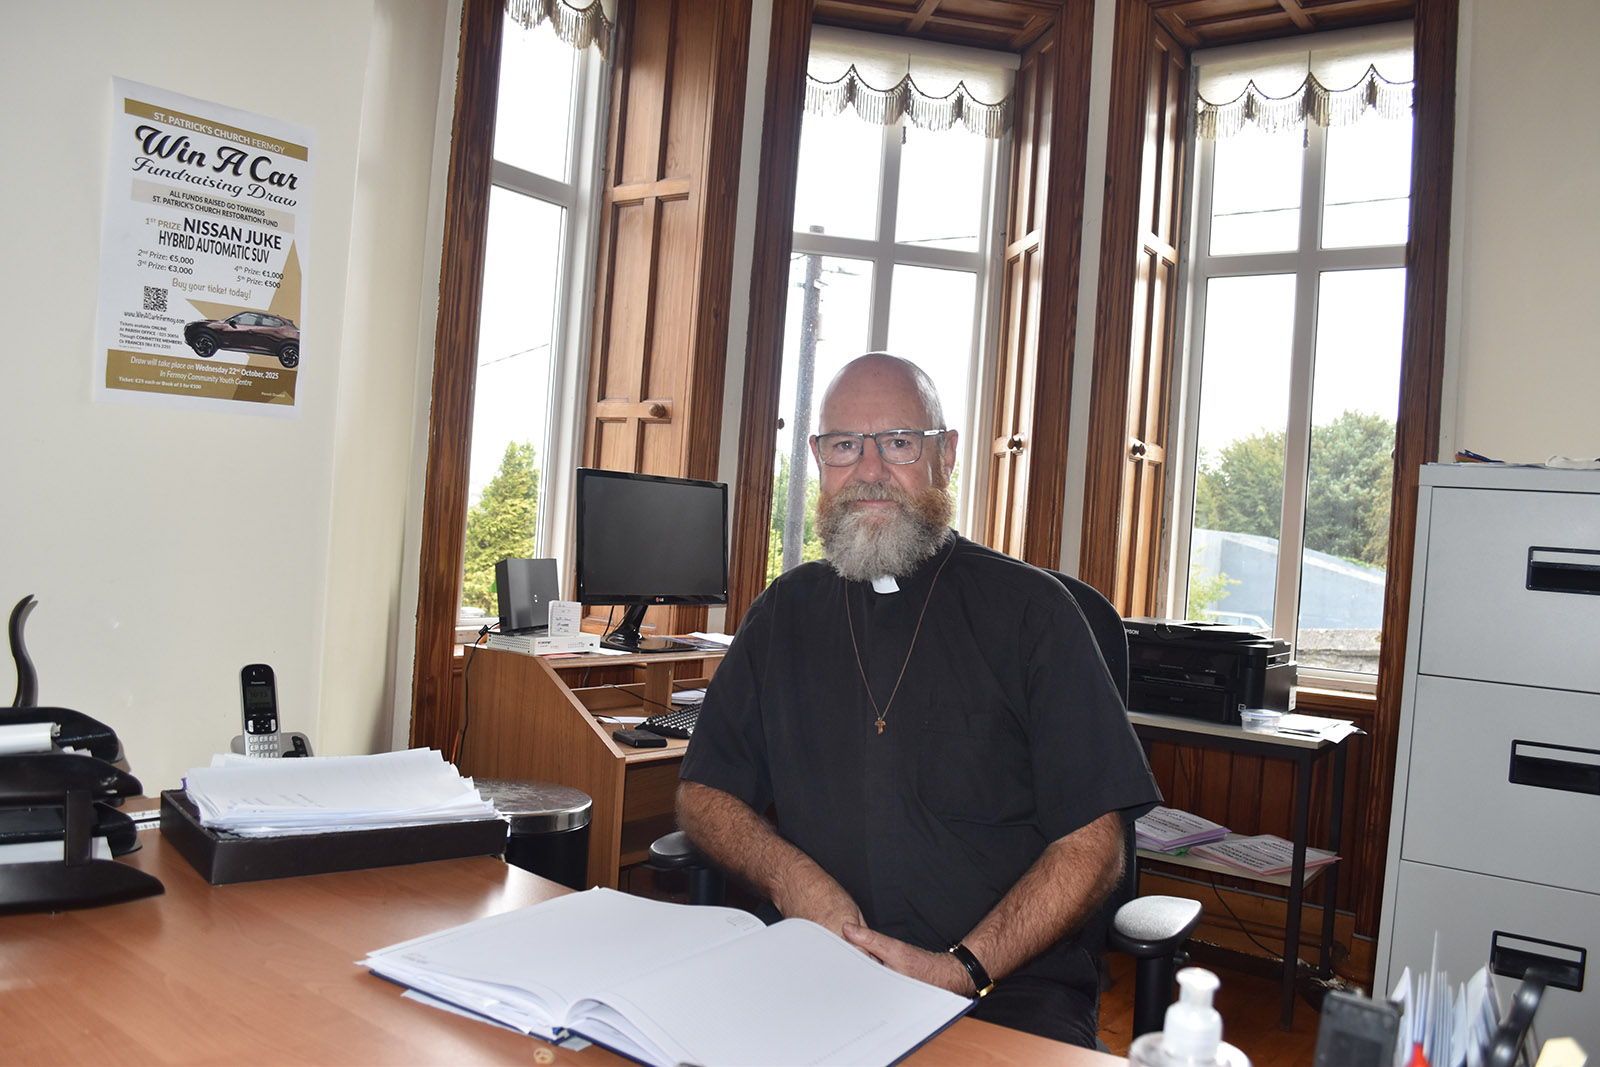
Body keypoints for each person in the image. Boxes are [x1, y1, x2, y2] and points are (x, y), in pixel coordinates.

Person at [675, 352, 1160, 1047]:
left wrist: (962, 967)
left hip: (1003, 989)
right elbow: (704, 792)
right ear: (818, 458)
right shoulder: (782, 613)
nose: (869, 470)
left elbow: (1095, 843)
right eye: (844, 444)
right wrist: (793, 880)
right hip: (813, 973)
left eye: (898, 441)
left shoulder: (1034, 614)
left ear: (945, 455)